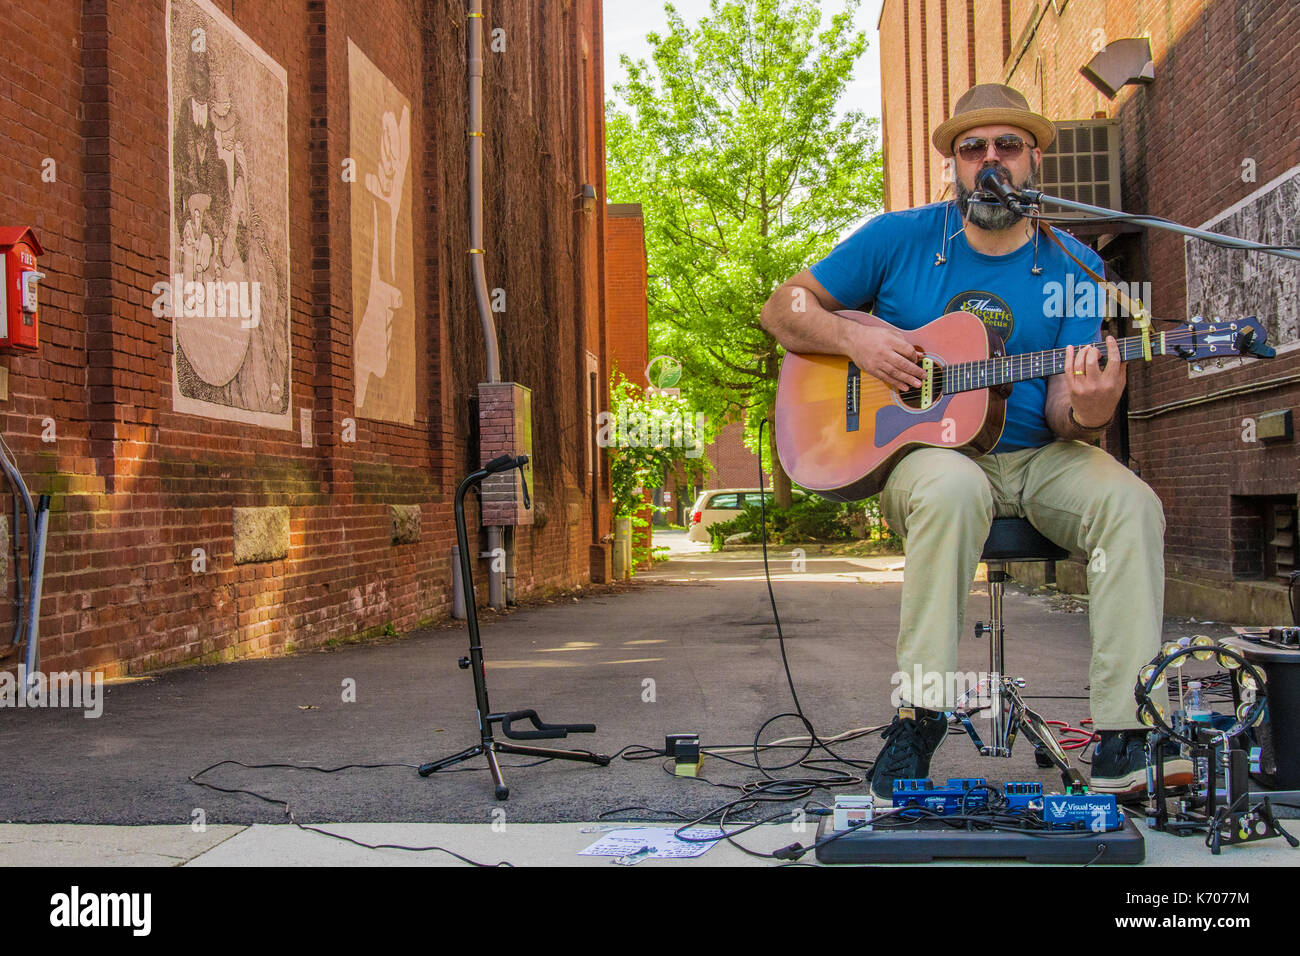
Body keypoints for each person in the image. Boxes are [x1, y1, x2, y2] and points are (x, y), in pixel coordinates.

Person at [760, 84, 1187, 801]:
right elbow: (784, 306)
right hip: (929, 457)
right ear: (955, 165)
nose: (990, 160)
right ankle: (919, 715)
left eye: (1007, 146)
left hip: (1041, 457)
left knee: (1130, 504)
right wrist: (854, 343)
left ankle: (1127, 735)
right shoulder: (898, 239)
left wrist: (1092, 410)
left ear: (1034, 160)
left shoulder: (1077, 266)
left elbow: (1064, 413)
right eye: (972, 148)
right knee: (955, 488)